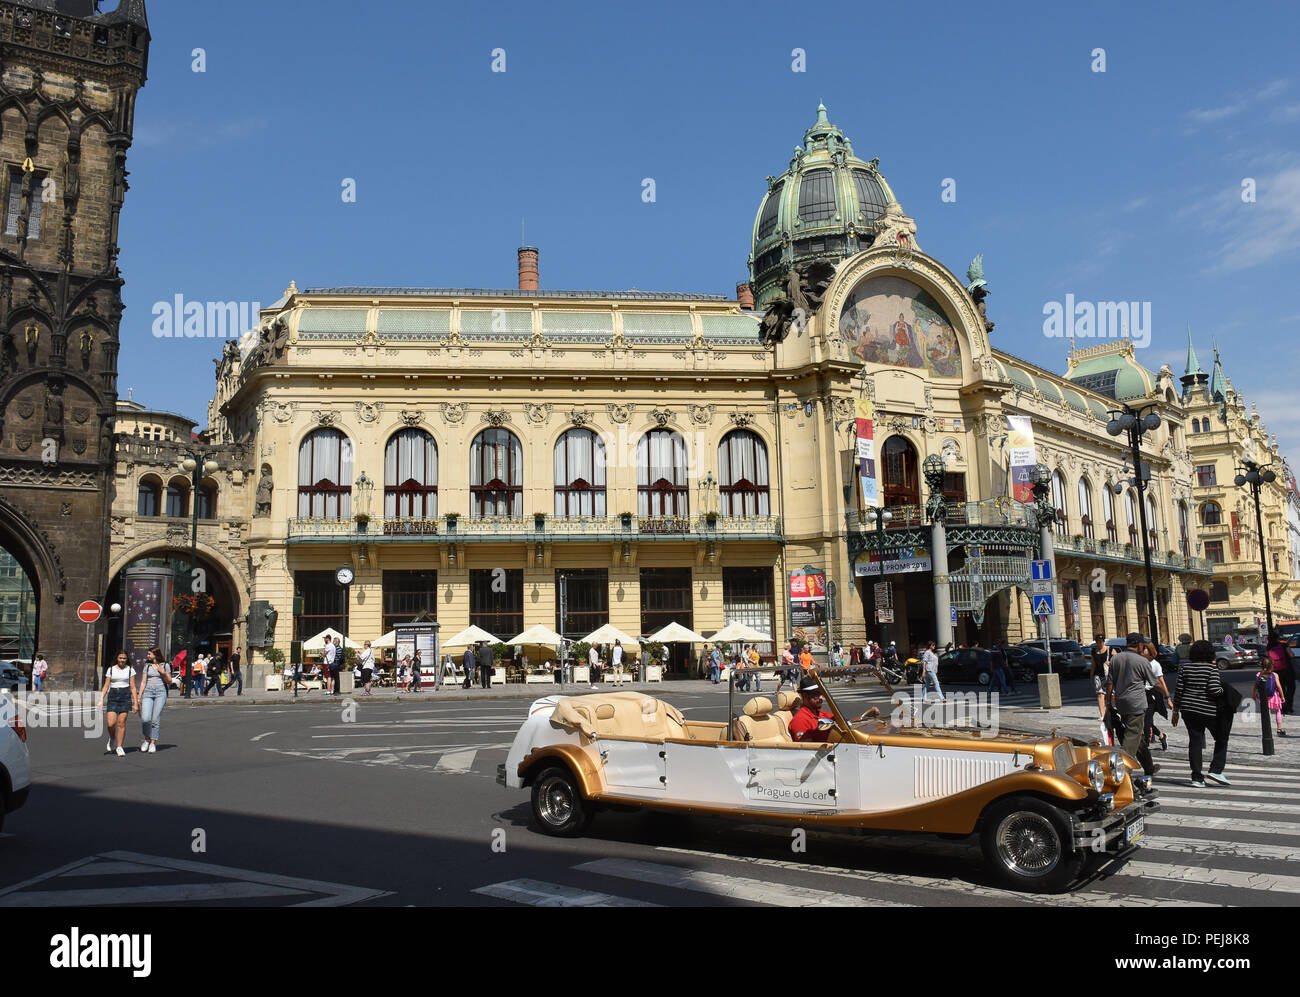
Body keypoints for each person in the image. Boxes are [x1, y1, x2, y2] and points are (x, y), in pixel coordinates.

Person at [1171, 639, 1232, 787]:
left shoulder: (1185, 668)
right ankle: (1216, 770)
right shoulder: (1212, 669)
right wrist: (1226, 691)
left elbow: (1179, 691)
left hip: (1188, 710)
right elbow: (1214, 690)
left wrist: (1176, 711)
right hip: (1208, 710)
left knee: (1195, 742)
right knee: (1221, 738)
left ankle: (1197, 777)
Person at [1106, 633, 1159, 777]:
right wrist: (1167, 695)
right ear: (1139, 644)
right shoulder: (1142, 661)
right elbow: (1155, 682)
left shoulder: (1115, 659)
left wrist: (1108, 702)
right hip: (1136, 703)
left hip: (1121, 703)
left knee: (1137, 736)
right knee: (1132, 737)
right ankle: (1123, 770)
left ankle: (1149, 767)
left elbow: (1110, 683)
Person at [787, 675, 880, 742]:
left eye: (821, 694)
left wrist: (865, 716)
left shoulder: (822, 714)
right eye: (816, 694)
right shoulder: (800, 720)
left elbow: (846, 724)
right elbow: (807, 749)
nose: (821, 698)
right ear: (805, 696)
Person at [99, 650, 137, 756]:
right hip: (113, 696)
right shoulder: (111, 669)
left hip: (125, 696)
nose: (122, 660)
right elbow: (106, 685)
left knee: (121, 723)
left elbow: (133, 687)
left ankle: (119, 746)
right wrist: (101, 698)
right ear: (117, 658)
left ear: (127, 659)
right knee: (111, 724)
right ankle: (112, 738)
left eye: (124, 658)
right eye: (120, 658)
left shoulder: (130, 670)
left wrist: (135, 703)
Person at [138, 646, 169, 754]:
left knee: (155, 719)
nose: (147, 656)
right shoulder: (147, 666)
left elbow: (169, 681)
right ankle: (146, 739)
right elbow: (143, 682)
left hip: (161, 693)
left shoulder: (165, 665)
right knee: (145, 718)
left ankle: (152, 743)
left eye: (149, 654)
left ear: (155, 654)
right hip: (148, 692)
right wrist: (139, 696)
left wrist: (163, 672)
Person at [1141, 641, 1171, 750]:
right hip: (1141, 694)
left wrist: (1168, 698)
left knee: (1147, 721)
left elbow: (1161, 681)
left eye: (1144, 649)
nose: (1142, 651)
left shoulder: (1155, 664)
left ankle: (1145, 746)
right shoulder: (1141, 662)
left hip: (1152, 695)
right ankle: (1161, 736)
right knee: (1144, 721)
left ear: (1150, 651)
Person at [1257, 651, 1286, 736]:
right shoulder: (1275, 674)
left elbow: (1256, 685)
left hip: (1264, 697)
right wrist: (1282, 696)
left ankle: (1267, 728)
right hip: (1274, 696)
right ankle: (1279, 729)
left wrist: (1254, 694)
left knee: (1267, 712)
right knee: (1278, 711)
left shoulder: (1259, 674)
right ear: (1272, 666)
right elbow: (1279, 686)